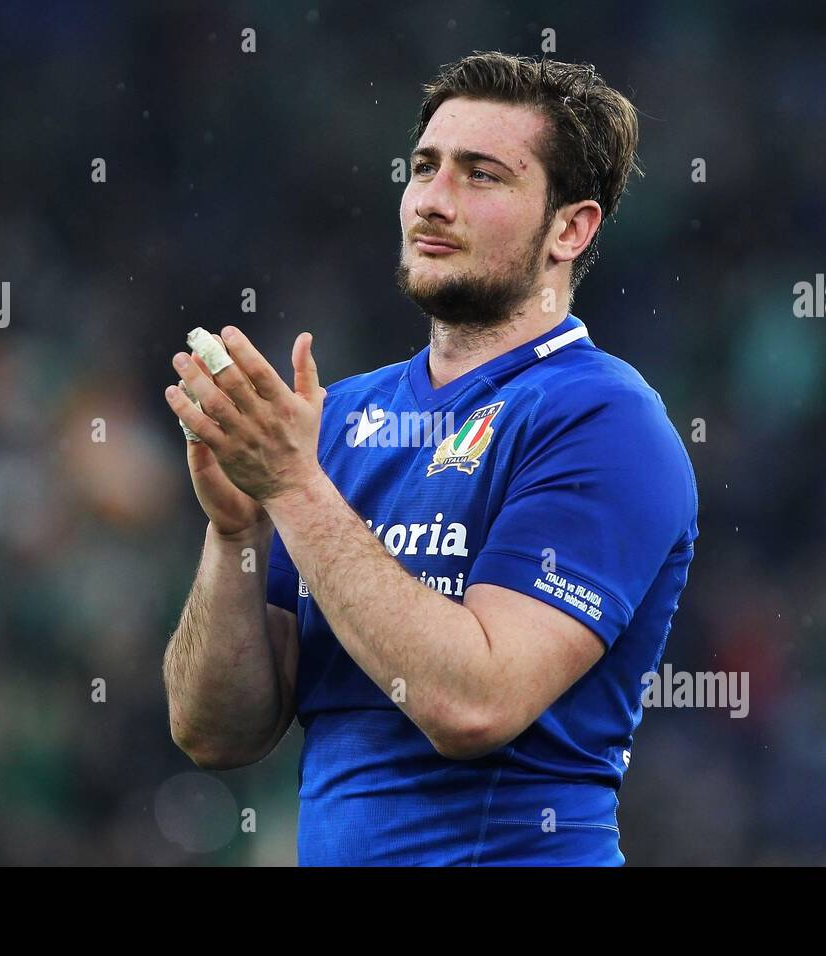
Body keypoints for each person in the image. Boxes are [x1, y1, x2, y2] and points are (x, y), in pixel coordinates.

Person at [162, 51, 698, 865]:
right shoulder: (333, 420)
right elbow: (215, 734)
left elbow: (472, 704)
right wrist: (236, 537)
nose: (433, 202)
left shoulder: (605, 421)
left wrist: (295, 489)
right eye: (424, 168)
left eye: (482, 176)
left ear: (570, 227)